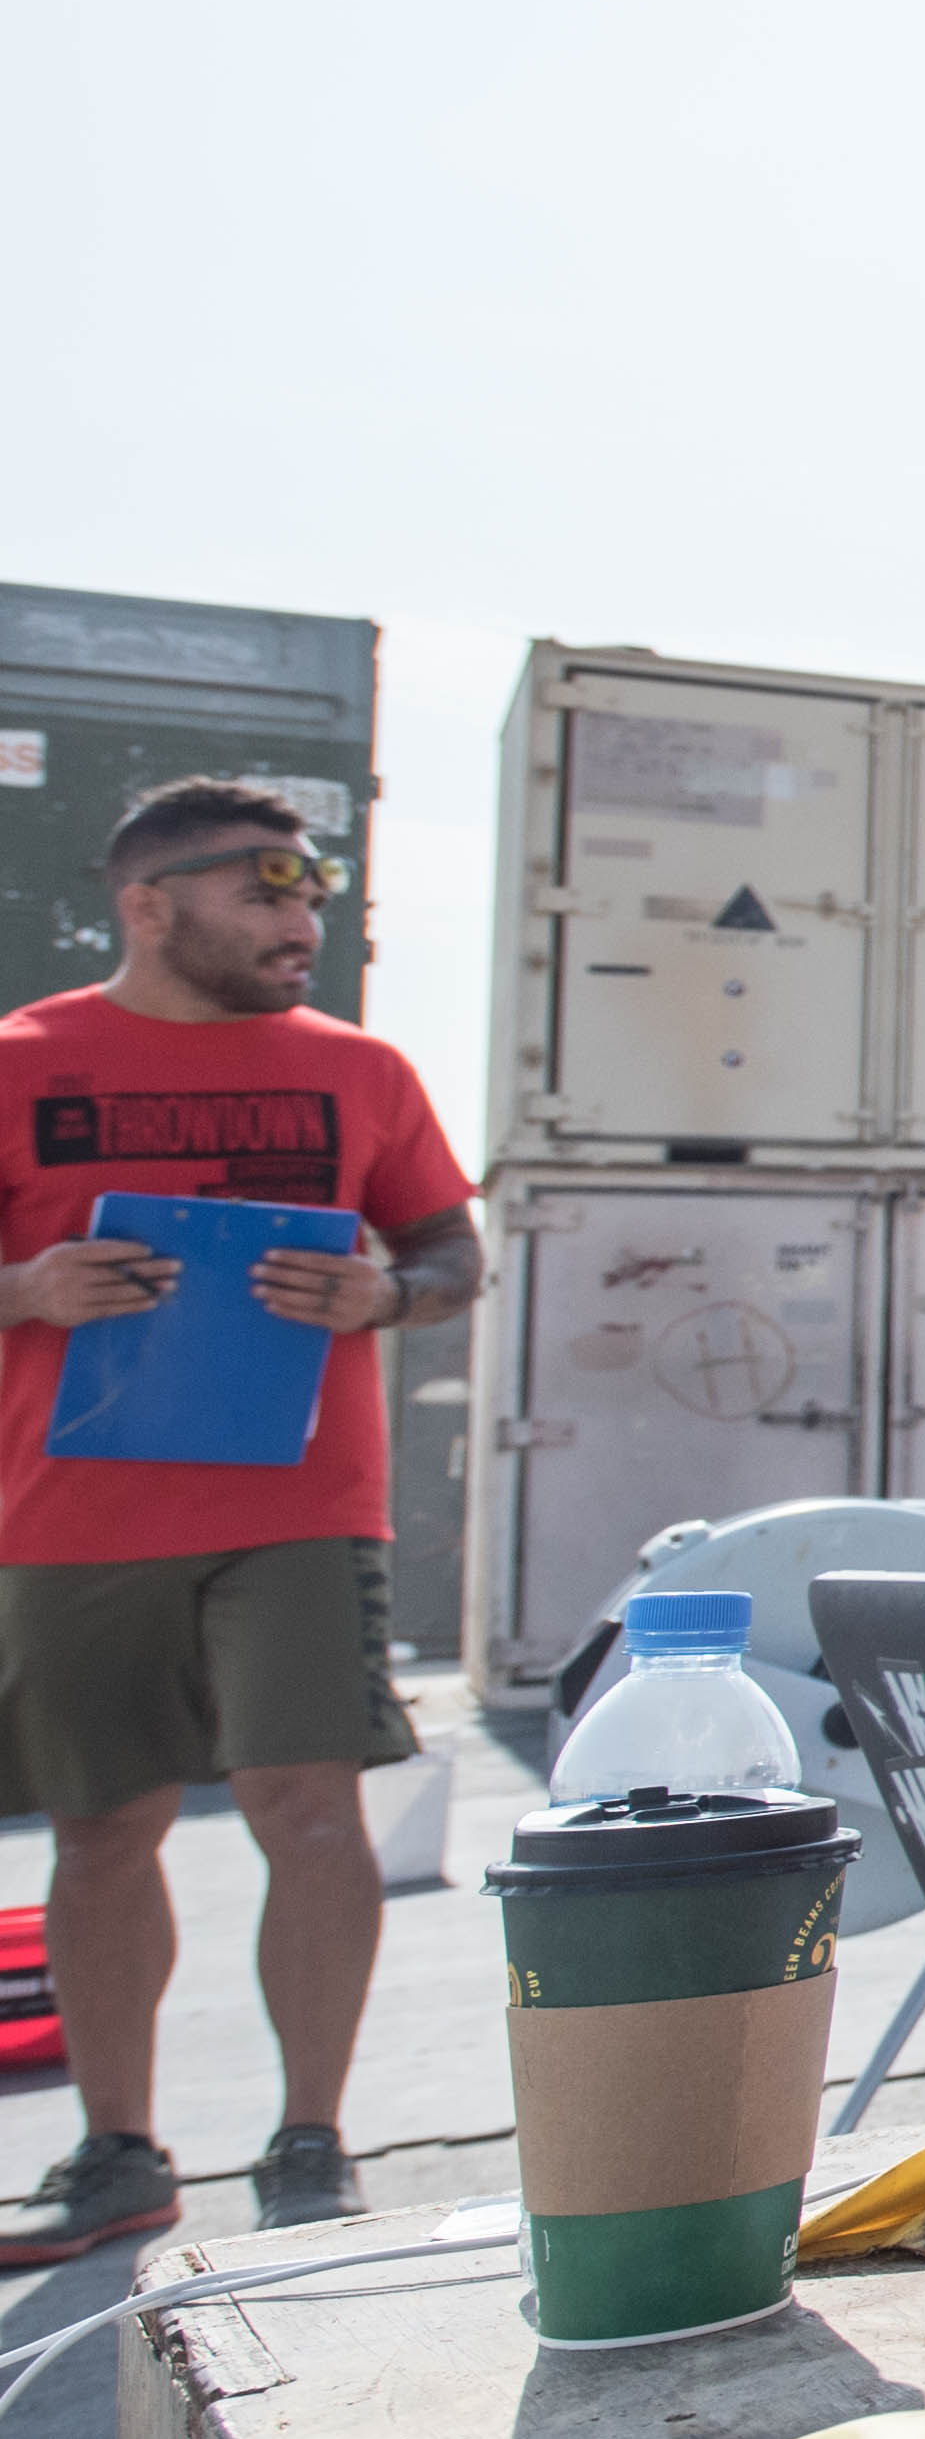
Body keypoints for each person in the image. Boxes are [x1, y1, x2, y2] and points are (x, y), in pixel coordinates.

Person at [0, 781, 479, 2252]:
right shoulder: (21, 1060)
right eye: (266, 894)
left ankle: (311, 2145)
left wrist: (387, 1295)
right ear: (148, 905)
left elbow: (451, 1254)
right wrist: (26, 1288)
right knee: (101, 1829)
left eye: (313, 898)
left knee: (313, 1815)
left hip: (304, 1508)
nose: (302, 921)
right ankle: (119, 2154)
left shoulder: (362, 1069)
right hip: (71, 1514)